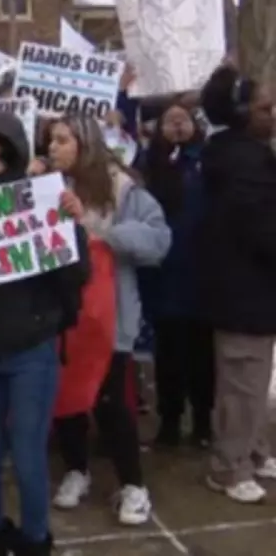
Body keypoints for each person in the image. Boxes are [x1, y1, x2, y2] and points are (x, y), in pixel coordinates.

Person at [0, 111, 90, 556]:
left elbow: (75, 275)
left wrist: (73, 227)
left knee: (28, 457)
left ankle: (34, 539)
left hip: (31, 350)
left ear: (14, 158)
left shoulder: (43, 201)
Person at [48, 115, 170, 525]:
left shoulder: (123, 188)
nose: (53, 148)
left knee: (112, 401)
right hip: (62, 315)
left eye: (63, 140)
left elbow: (157, 240)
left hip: (109, 316)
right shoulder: (46, 186)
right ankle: (76, 470)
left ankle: (133, 485)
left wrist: (100, 230)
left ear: (85, 143)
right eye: (51, 140)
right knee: (67, 399)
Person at [198, 65, 276, 503]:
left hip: (252, 289)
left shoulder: (245, 154)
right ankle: (229, 467)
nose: (274, 115)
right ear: (244, 113)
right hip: (242, 291)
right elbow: (261, 228)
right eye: (266, 108)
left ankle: (254, 450)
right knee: (242, 382)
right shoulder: (242, 162)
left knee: (255, 377)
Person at [137, 103, 213, 448]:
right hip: (163, 274)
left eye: (183, 119)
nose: (177, 126)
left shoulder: (206, 161)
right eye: (170, 120)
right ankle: (169, 420)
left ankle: (202, 422)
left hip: (200, 272)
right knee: (168, 353)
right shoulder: (149, 163)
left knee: (202, 352)